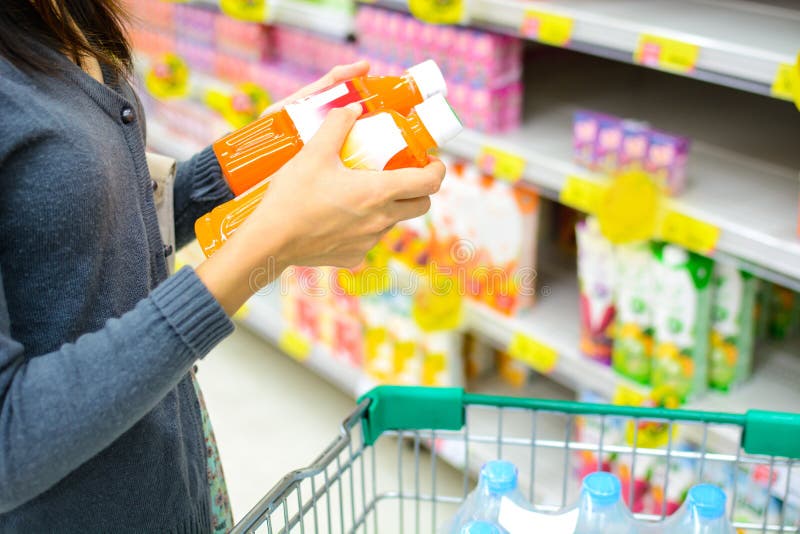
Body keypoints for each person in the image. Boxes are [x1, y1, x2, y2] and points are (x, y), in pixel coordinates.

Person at [0, 0, 445, 531]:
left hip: (168, 478)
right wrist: (269, 245)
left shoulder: (59, 12)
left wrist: (266, 147)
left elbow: (83, 226)